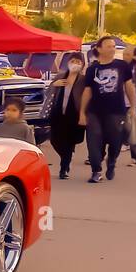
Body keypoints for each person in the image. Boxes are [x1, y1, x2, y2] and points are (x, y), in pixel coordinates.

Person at [79, 35, 136, 182]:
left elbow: (129, 86)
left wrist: (133, 107)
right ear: (99, 49)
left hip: (116, 111)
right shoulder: (93, 69)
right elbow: (87, 91)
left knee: (115, 141)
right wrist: (82, 113)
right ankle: (96, 171)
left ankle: (111, 162)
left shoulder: (122, 66)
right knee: (93, 141)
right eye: (109, 46)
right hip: (94, 112)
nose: (112, 49)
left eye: (113, 46)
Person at [47, 51, 87, 180]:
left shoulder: (83, 80)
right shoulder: (60, 76)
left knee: (70, 142)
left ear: (82, 65)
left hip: (74, 114)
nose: (75, 64)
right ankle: (67, 156)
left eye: (78, 62)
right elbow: (48, 92)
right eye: (73, 61)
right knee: (54, 141)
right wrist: (54, 84)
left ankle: (64, 168)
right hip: (58, 113)